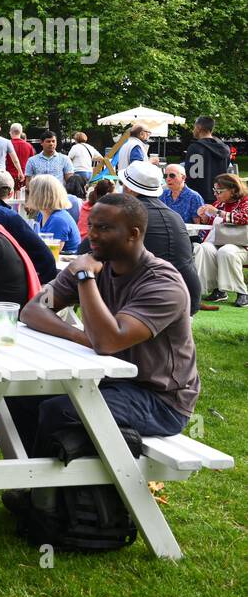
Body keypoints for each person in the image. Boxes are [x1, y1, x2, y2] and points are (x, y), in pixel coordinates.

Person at [15, 193, 199, 455]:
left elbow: (107, 341)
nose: (92, 235)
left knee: (58, 411)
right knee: (21, 397)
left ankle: (42, 489)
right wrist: (78, 335)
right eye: (91, 226)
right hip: (107, 379)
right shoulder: (93, 263)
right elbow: (33, 310)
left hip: (160, 399)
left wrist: (85, 277)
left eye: (104, 228)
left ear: (133, 234)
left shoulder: (162, 283)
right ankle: (41, 479)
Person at [98, 162, 201, 315]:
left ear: (129, 188)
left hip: (148, 298)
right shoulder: (175, 216)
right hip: (188, 296)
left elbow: (92, 250)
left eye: (121, 183)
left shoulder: (127, 216)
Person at [192, 173, 248, 307]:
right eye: (214, 191)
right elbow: (212, 226)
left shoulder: (245, 201)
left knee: (227, 251)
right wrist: (204, 217)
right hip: (220, 243)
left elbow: (244, 218)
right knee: (204, 248)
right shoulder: (219, 203)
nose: (216, 194)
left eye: (220, 191)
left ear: (233, 190)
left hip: (243, 247)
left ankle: (242, 292)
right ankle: (218, 290)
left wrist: (217, 212)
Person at [24, 174, 81, 254]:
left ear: (40, 196)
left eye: (29, 192)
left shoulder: (58, 220)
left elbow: (49, 254)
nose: (27, 195)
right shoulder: (43, 214)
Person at [183, 116, 232, 203]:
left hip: (198, 195)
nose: (193, 130)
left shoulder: (195, 148)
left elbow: (190, 175)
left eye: (194, 127)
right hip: (220, 194)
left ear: (198, 128)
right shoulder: (224, 148)